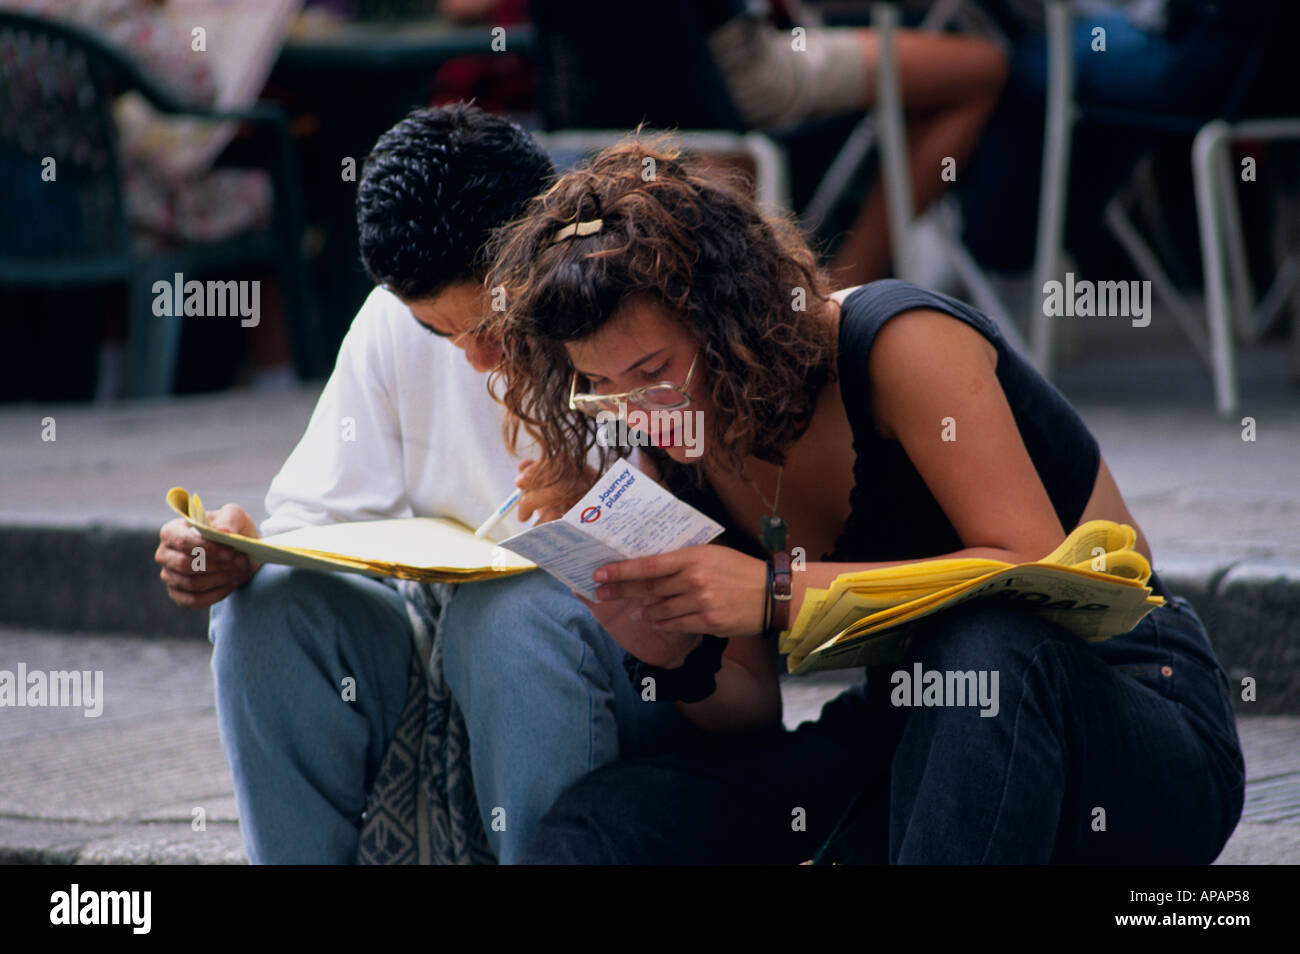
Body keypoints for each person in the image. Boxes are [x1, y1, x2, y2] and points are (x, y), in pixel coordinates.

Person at [485, 138, 1246, 863]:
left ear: (727, 320)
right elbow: (750, 714)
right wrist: (676, 651)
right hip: (916, 734)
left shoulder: (898, 341)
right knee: (612, 822)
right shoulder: (671, 432)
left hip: (1126, 721)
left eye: (652, 369)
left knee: (982, 648)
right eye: (604, 390)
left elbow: (1040, 574)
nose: (636, 410)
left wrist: (779, 594)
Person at [155, 105, 691, 864]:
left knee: (509, 615)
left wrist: (596, 511)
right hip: (439, 651)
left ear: (544, 241)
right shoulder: (393, 322)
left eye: (496, 327)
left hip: (623, 668)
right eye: (443, 333)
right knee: (266, 612)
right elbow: (319, 524)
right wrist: (245, 550)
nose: (474, 360)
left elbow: (713, 561)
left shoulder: (625, 309)